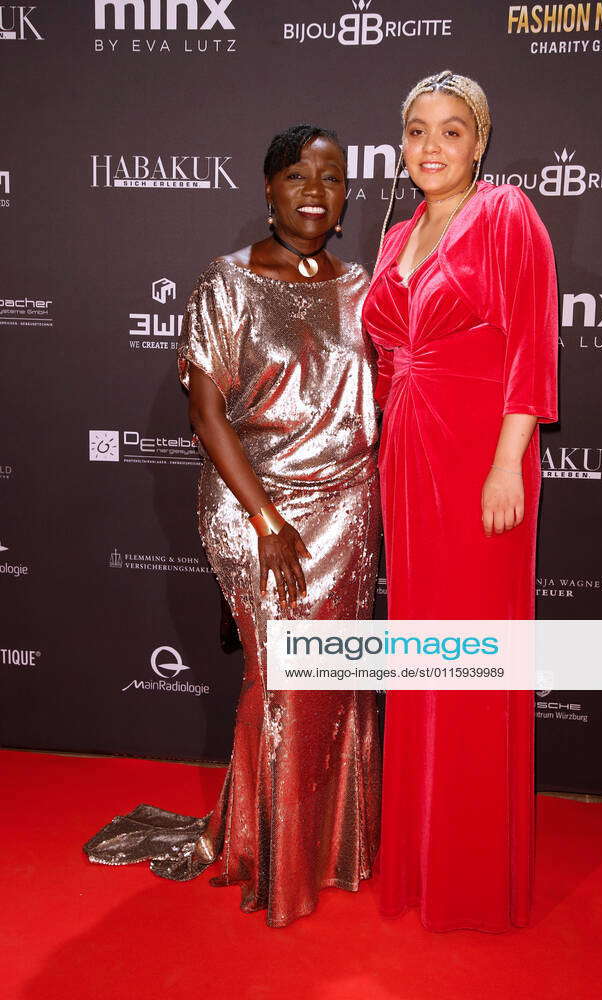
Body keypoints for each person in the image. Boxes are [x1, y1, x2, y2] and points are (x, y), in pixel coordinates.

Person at [84, 124, 382, 929]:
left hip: (349, 505)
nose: (314, 189)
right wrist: (266, 519)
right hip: (257, 506)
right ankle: (267, 856)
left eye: (330, 175)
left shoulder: (365, 285)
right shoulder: (227, 281)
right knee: (283, 679)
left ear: (347, 192)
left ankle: (330, 847)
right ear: (267, 188)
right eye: (296, 175)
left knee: (333, 681)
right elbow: (205, 412)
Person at [362, 71, 559, 932]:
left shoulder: (507, 213)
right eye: (416, 131)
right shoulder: (395, 230)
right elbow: (379, 360)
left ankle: (470, 874)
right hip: (405, 458)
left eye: (451, 131)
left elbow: (530, 345)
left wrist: (507, 463)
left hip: (481, 455)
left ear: (479, 142)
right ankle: (416, 857)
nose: (431, 147)